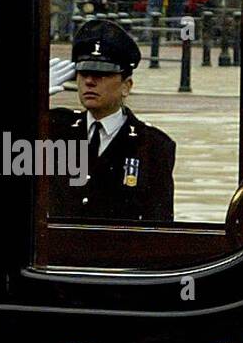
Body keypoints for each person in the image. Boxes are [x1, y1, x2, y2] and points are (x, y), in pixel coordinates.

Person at [50, 20, 176, 222]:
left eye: (102, 74)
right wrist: (29, 101)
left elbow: (160, 226)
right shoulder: (55, 128)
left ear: (126, 86)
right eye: (83, 73)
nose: (90, 81)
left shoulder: (153, 146)